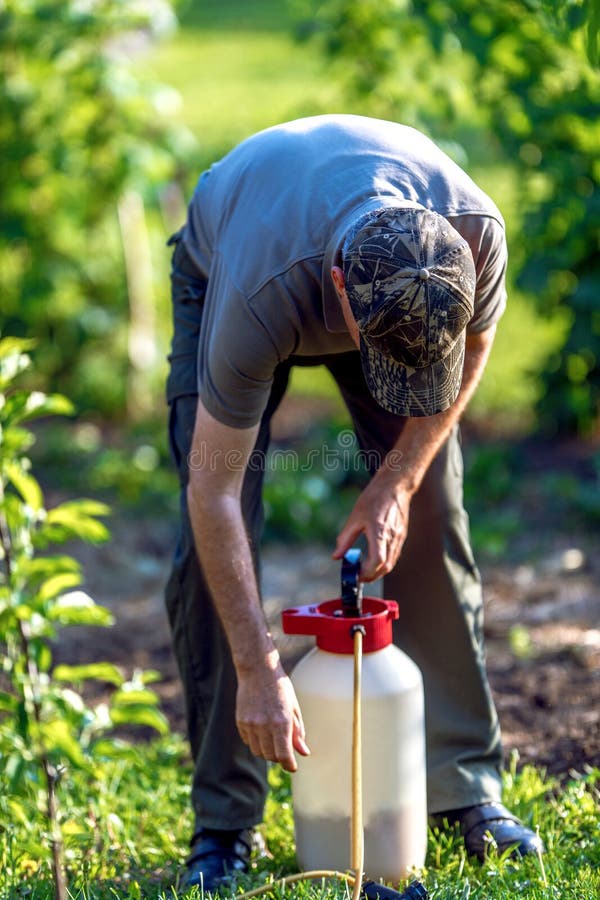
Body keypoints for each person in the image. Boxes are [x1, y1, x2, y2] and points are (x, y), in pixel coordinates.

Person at [164, 114, 544, 892]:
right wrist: (259, 667)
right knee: (209, 546)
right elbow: (216, 489)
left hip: (378, 285)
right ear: (340, 288)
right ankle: (224, 821)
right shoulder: (261, 294)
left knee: (433, 501)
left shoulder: (474, 236)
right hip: (231, 258)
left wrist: (396, 483)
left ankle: (463, 787)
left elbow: (473, 347)